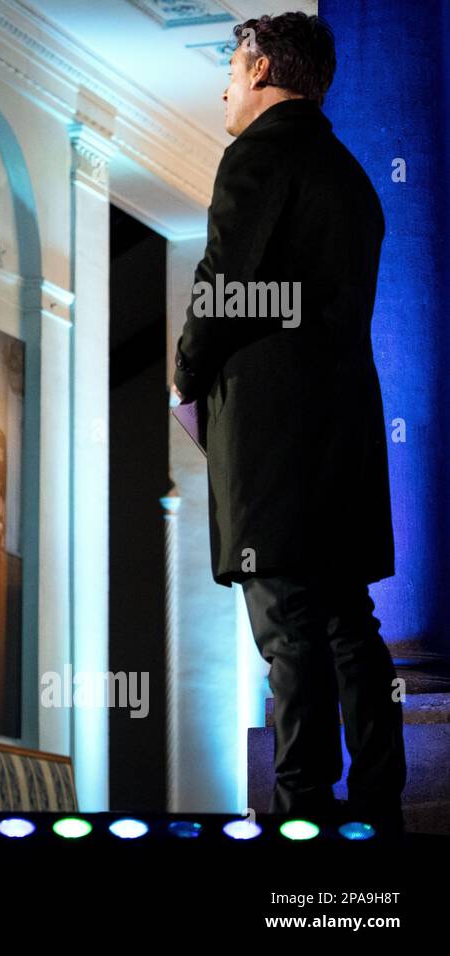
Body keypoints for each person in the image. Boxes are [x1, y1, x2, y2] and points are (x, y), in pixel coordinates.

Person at [171, 13, 405, 835]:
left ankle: (301, 812)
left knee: (287, 630)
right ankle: (378, 805)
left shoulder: (258, 154)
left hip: (272, 437)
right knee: (349, 620)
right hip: (344, 431)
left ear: (263, 66)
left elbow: (223, 280)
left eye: (233, 67)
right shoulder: (354, 177)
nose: (225, 86)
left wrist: (185, 371)